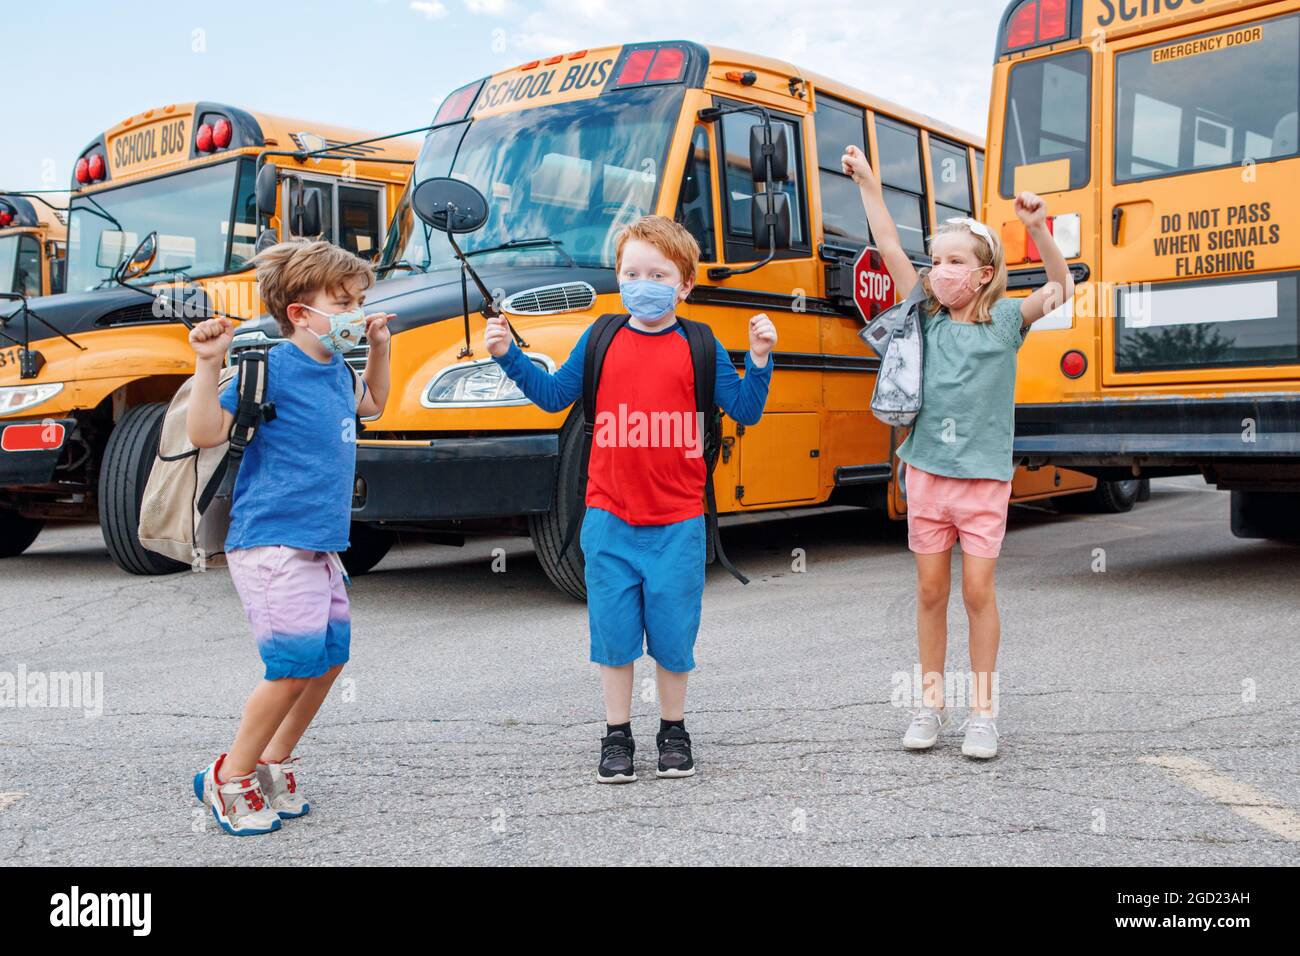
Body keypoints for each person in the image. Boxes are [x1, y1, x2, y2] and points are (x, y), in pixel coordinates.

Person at [486, 215, 776, 783]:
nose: (643, 282)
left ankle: (673, 730)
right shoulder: (600, 337)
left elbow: (744, 409)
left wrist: (760, 359)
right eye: (631, 272)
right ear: (619, 277)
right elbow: (552, 397)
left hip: (679, 523)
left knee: (673, 641)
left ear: (684, 285)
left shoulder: (701, 343)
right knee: (613, 640)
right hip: (608, 522)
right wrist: (507, 356)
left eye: (658, 273)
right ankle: (617, 735)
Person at [841, 143, 1073, 759]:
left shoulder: (1006, 323)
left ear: (985, 273)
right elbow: (890, 245)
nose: (940, 270)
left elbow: (1061, 287)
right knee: (928, 593)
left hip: (984, 482)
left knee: (977, 593)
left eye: (954, 261)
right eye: (936, 260)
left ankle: (983, 713)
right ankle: (929, 704)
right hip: (926, 475)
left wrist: (1036, 229)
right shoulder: (926, 317)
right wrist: (869, 181)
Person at [186, 239, 394, 834]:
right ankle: (227, 777)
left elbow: (374, 404)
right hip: (271, 542)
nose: (357, 312)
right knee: (293, 664)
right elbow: (204, 432)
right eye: (344, 302)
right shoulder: (267, 368)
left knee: (329, 659)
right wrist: (207, 363)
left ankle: (272, 762)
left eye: (361, 300)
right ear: (300, 313)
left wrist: (378, 347)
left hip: (318, 544)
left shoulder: (338, 370)